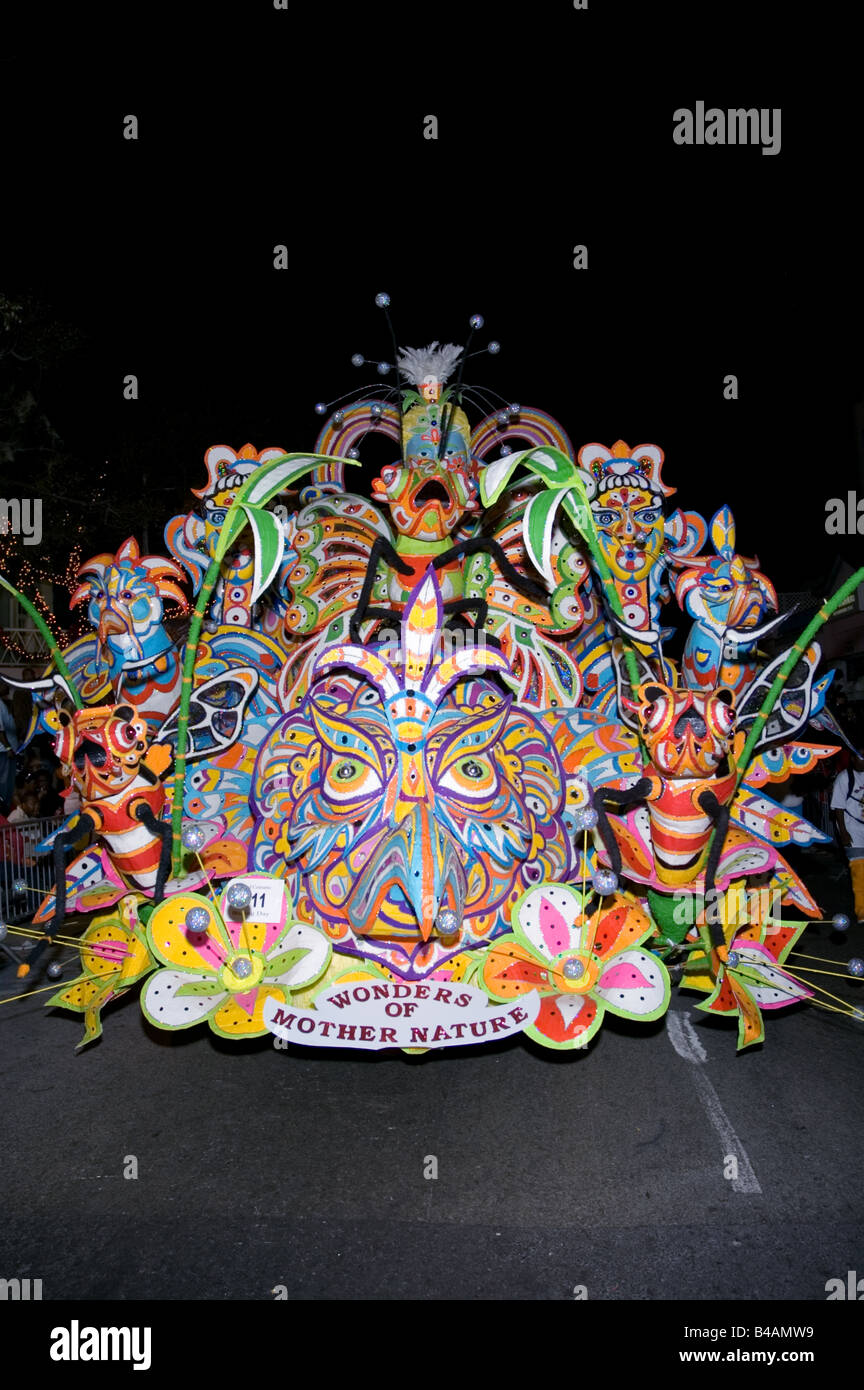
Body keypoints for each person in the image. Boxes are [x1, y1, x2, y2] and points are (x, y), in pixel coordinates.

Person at [831, 733, 864, 924]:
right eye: (860, 757)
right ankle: (861, 911)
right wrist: (843, 832)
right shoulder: (845, 778)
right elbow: (837, 807)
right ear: (852, 758)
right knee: (859, 871)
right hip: (852, 829)